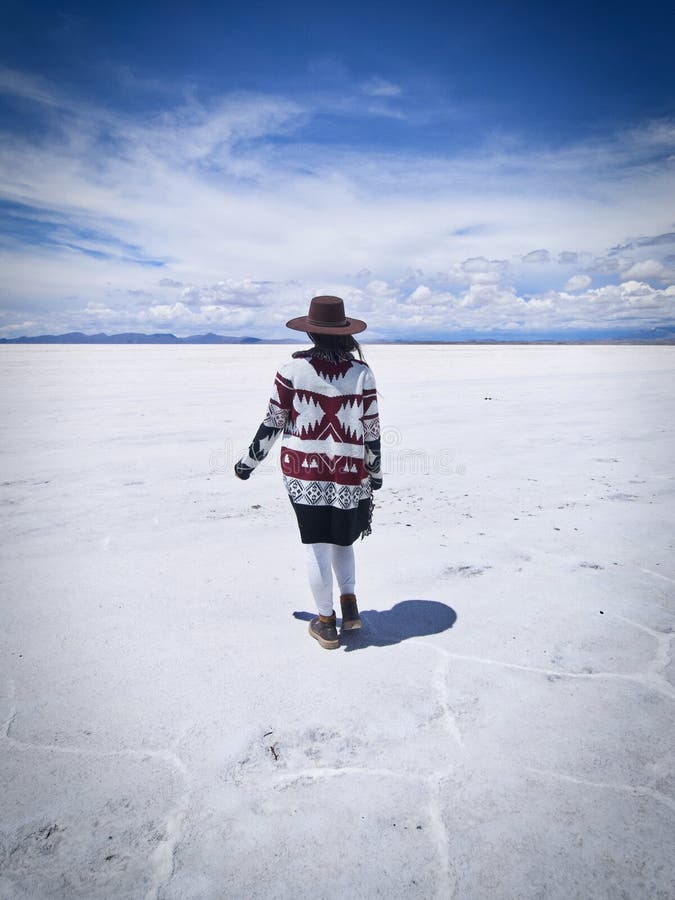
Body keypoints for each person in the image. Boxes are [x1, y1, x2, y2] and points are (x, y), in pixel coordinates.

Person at [234, 295, 382, 650]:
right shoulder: (361, 373)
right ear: (344, 331)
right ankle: (350, 607)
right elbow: (372, 430)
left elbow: (273, 422)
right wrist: (375, 474)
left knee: (317, 545)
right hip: (349, 473)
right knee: (342, 540)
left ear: (310, 332)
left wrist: (248, 463)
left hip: (305, 475)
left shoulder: (291, 369)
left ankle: (326, 622)